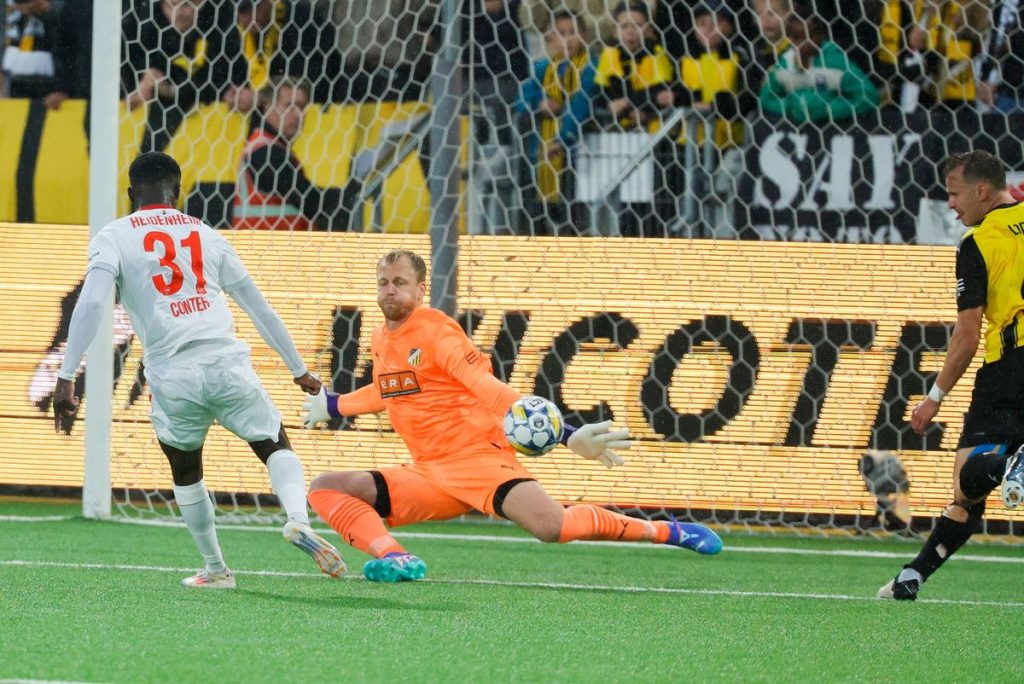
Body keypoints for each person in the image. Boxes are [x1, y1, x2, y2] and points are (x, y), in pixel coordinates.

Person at [301, 249, 723, 583]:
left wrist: (567, 434)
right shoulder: (381, 336)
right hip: (428, 472)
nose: (390, 290)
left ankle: (668, 532)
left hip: (478, 460)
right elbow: (389, 389)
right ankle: (395, 557)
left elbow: (486, 386)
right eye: (383, 283)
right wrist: (335, 404)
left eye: (400, 283)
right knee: (327, 488)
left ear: (421, 289)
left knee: (552, 527)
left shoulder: (437, 332)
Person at [52, 152, 345, 589]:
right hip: (225, 361)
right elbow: (256, 305)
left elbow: (93, 303)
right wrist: (298, 368)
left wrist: (67, 374)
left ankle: (215, 569)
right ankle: (298, 519)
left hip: (172, 374)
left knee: (186, 468)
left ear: (131, 193)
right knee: (273, 443)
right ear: (179, 190)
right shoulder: (206, 234)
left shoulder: (113, 236)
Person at [878, 150, 1024, 601]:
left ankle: (1011, 463)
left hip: (1012, 365)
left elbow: (966, 334)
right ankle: (912, 577)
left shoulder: (977, 243)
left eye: (955, 194)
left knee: (968, 482)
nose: (951, 205)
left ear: (982, 191)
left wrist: (935, 395)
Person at [515, 10, 598, 236]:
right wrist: (539, 102)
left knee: (573, 213)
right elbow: (522, 96)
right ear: (550, 39)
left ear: (586, 35)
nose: (568, 39)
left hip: (579, 152)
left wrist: (561, 139)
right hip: (544, 151)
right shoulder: (545, 67)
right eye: (561, 33)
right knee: (542, 211)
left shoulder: (590, 67)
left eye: (573, 32)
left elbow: (581, 103)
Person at [232, 76, 348, 230]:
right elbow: (311, 200)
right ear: (268, 106)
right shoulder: (265, 153)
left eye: (301, 107)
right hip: (264, 248)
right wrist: (349, 197)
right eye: (289, 106)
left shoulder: (272, 147)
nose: (298, 114)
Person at [758, 0, 879, 124]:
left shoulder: (836, 63)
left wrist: (829, 109)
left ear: (821, 36)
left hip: (835, 131)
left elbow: (868, 97)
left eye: (806, 37)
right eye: (795, 38)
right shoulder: (785, 63)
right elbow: (766, 98)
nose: (800, 45)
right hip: (798, 134)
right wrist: (790, 107)